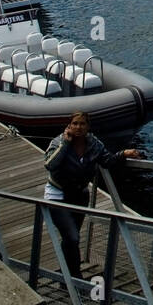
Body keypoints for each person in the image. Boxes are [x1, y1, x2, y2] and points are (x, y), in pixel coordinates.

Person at [44, 112, 140, 279]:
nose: (78, 127)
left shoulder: (94, 144)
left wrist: (123, 154)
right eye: (75, 123)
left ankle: (66, 277)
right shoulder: (58, 141)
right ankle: (75, 277)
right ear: (69, 125)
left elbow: (107, 161)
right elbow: (50, 164)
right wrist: (65, 144)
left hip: (80, 195)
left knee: (71, 238)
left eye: (82, 124)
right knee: (72, 237)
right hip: (57, 194)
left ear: (88, 127)